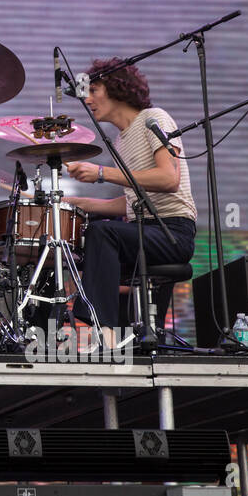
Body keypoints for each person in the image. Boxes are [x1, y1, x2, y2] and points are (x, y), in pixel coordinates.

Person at [64, 59, 197, 339]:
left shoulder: (154, 118)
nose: (87, 99)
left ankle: (104, 330)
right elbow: (131, 203)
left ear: (117, 88)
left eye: (94, 90)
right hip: (144, 230)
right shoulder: (122, 140)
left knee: (103, 233)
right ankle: (128, 332)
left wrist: (101, 173)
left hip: (172, 232)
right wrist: (73, 203)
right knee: (80, 243)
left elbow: (168, 179)